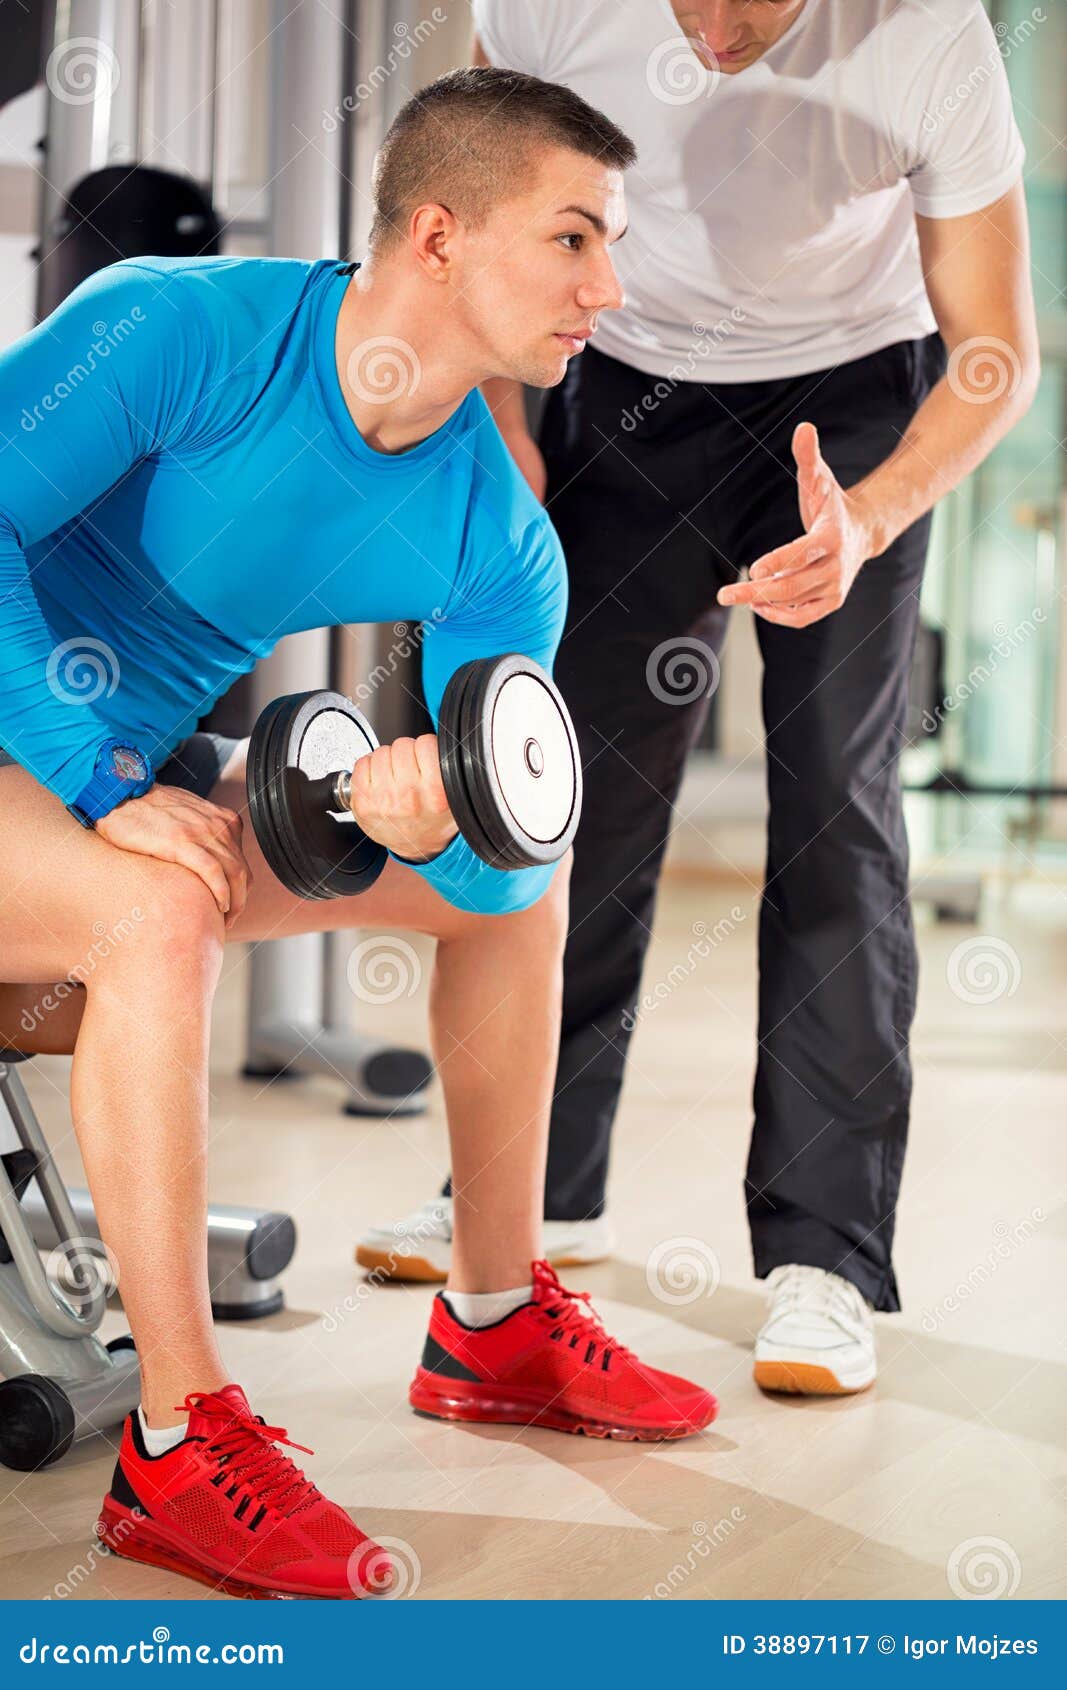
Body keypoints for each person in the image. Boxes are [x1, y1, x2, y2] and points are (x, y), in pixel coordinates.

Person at [0, 68, 717, 1603]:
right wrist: (99, 776)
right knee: (153, 905)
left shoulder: (494, 534)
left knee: (526, 881)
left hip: (100, 779)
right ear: (442, 235)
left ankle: (495, 1313)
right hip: (44, 753)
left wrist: (433, 806)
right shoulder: (178, 327)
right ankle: (181, 1440)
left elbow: (483, 854)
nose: (612, 287)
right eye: (578, 239)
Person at [361, 0, 1040, 1396]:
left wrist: (871, 514)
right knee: (561, 801)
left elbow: (996, 350)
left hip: (853, 403)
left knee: (838, 813)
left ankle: (825, 1257)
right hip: (624, 387)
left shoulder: (930, 36)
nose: (725, 27)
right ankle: (532, 1189)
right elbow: (490, 189)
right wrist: (503, 429)